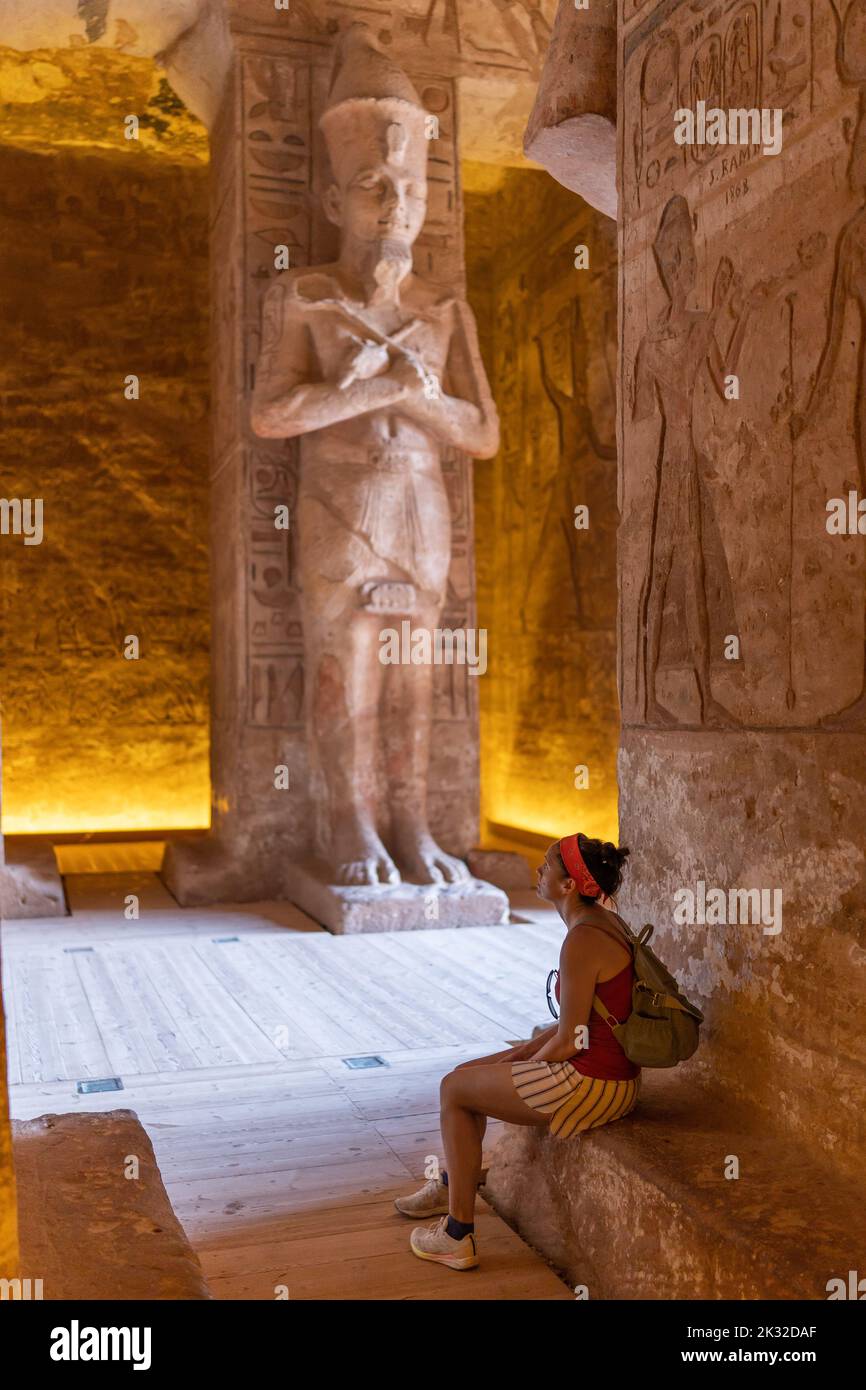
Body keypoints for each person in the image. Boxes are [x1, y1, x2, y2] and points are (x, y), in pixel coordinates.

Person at [395, 832, 640, 1270]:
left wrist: (525, 1062)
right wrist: (516, 1056)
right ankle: (453, 1182)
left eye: (547, 867)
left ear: (569, 887)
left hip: (592, 1082)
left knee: (454, 1090)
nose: (539, 872)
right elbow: (575, 1025)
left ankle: (457, 1235)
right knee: (466, 1072)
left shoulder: (583, 940)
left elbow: (568, 1041)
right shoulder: (605, 922)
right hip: (606, 1071)